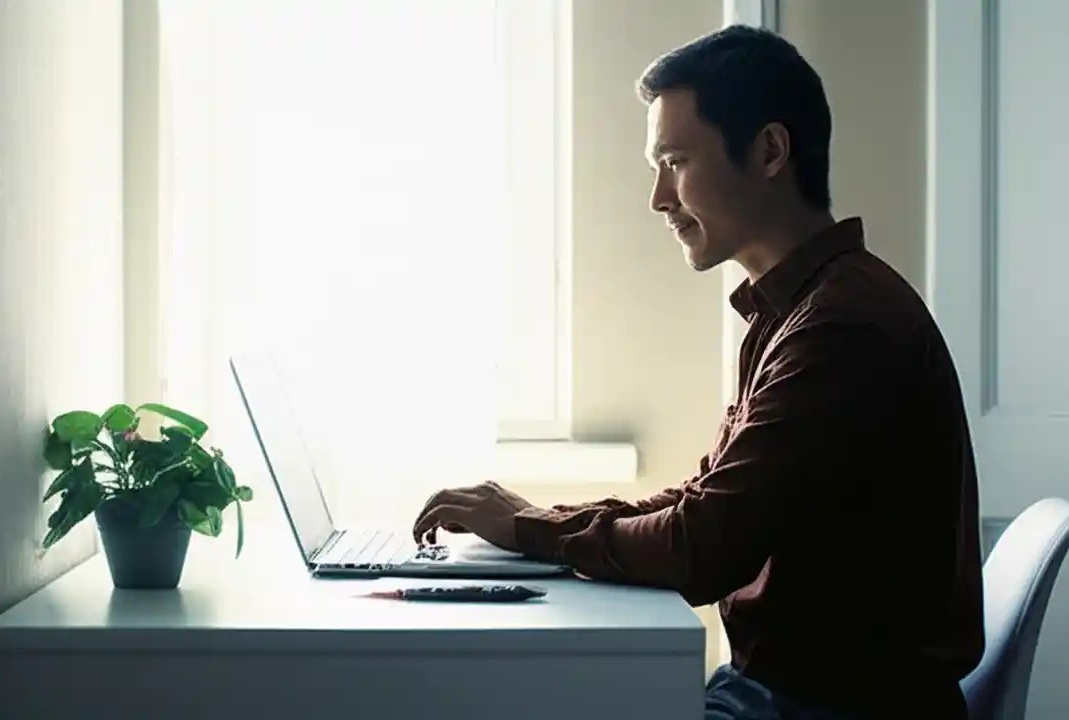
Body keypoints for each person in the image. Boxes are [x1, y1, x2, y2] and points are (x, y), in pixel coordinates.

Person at [411, 25, 985, 719]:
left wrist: (534, 531)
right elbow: (705, 503)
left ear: (770, 151)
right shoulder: (802, 310)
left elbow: (701, 548)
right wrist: (537, 519)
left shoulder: (841, 327)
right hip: (786, 695)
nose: (659, 197)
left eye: (675, 161)